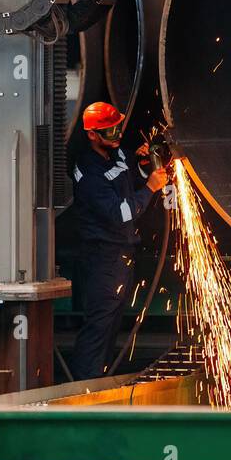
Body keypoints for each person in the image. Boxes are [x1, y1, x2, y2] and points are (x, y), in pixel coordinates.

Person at [66, 101, 167, 380]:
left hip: (120, 255)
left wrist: (144, 167)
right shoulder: (88, 174)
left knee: (111, 326)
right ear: (92, 136)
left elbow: (128, 179)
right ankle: (85, 387)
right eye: (109, 131)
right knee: (99, 326)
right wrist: (151, 188)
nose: (117, 134)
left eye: (117, 127)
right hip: (102, 258)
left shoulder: (117, 152)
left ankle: (100, 383)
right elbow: (120, 212)